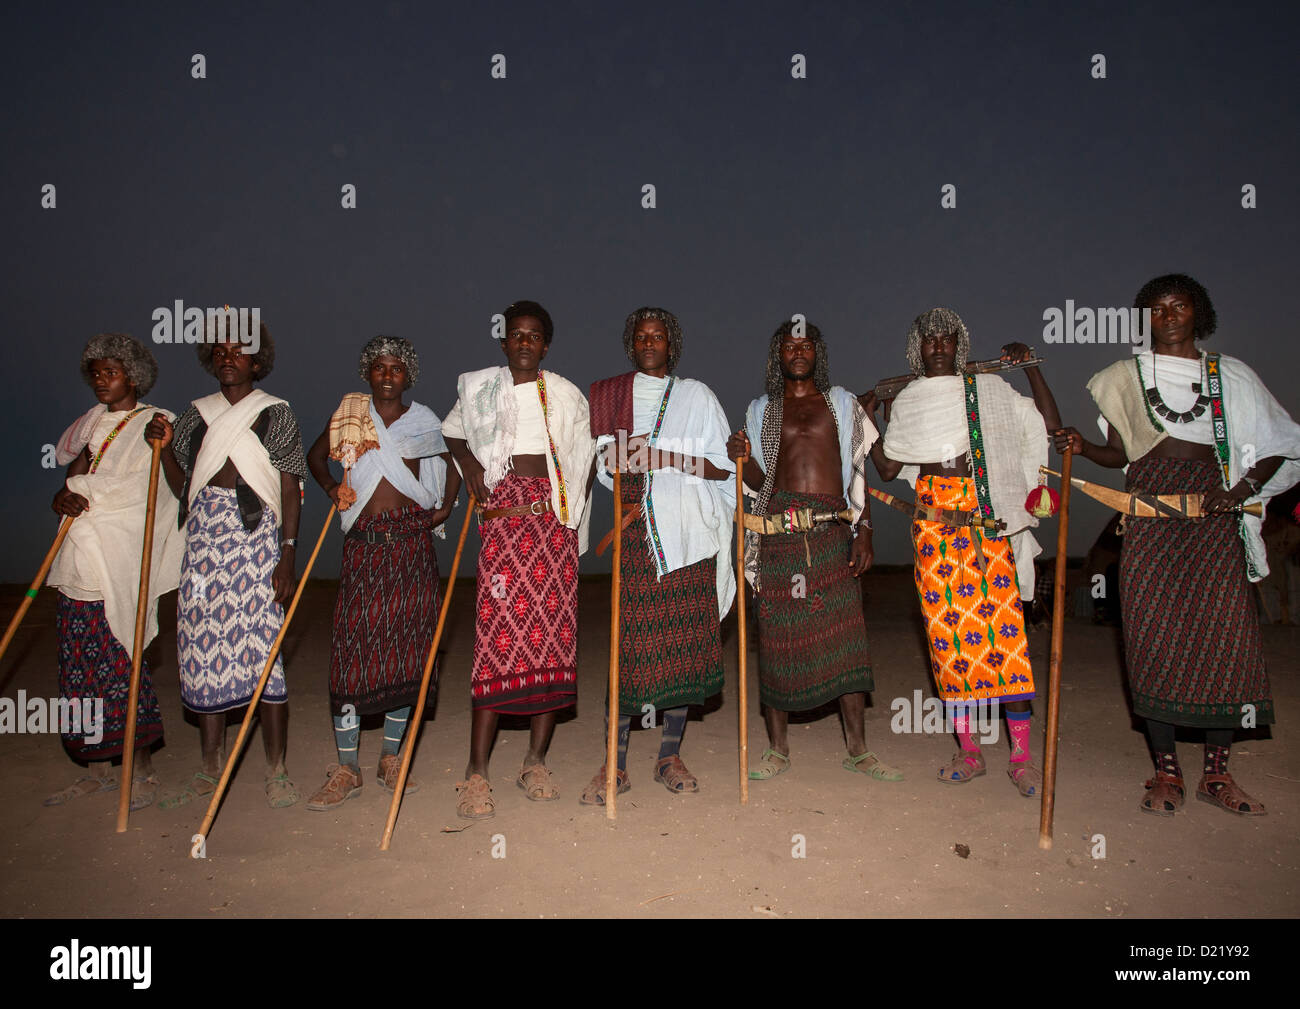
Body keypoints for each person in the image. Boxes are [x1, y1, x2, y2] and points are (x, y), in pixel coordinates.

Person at [1056, 274, 1300, 816]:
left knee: (1223, 639)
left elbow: (1279, 445)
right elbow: (1118, 454)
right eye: (1157, 308)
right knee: (1152, 637)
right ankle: (1165, 772)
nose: (1168, 315)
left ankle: (1218, 774)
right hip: (1148, 520)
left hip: (1213, 519)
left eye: (1179, 305)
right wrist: (1082, 446)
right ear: (1145, 319)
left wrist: (1240, 490)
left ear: (1198, 313)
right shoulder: (1124, 377)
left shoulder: (1230, 376)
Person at [865, 308, 1060, 796]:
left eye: (946, 340)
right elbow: (888, 470)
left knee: (1006, 638)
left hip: (986, 512)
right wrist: (865, 423)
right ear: (917, 348)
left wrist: (1031, 366)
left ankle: (1021, 756)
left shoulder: (989, 389)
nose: (937, 347)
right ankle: (969, 750)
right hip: (934, 523)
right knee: (948, 638)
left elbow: (1047, 425)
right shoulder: (908, 399)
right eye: (928, 340)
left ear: (959, 346)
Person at [726, 319, 899, 783]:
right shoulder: (761, 411)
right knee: (779, 640)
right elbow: (761, 485)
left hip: (830, 530)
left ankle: (859, 749)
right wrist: (739, 458)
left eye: (806, 346)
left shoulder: (842, 404)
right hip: (779, 532)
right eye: (789, 346)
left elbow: (863, 467)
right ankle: (778, 748)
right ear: (777, 355)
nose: (798, 352)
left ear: (817, 354)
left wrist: (864, 529)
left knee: (846, 642)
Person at [146, 320, 308, 809]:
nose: (227, 357)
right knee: (200, 652)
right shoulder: (194, 417)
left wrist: (287, 553)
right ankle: (209, 768)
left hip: (257, 539)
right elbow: (182, 486)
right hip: (203, 542)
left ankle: (276, 771)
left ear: (257, 362)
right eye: (219, 350)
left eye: (238, 351)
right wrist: (160, 448)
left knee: (265, 652)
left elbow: (289, 486)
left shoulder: (274, 413)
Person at [443, 300, 595, 818]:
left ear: (545, 345)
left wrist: (567, 510)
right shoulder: (481, 390)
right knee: (495, 637)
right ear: (504, 342)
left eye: (534, 336)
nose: (525, 342)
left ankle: (534, 761)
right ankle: (476, 774)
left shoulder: (568, 395)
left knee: (550, 636)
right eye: (516, 335)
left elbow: (583, 457)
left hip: (551, 527)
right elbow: (452, 433)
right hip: (504, 528)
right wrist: (471, 471)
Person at [581, 307, 734, 804]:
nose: (650, 343)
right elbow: (603, 463)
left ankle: (669, 755)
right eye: (642, 337)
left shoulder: (697, 396)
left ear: (672, 345)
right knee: (628, 652)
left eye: (659, 337)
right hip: (636, 535)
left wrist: (667, 456)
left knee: (681, 651)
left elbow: (721, 470)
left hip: (688, 536)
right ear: (631, 344)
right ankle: (615, 763)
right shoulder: (609, 395)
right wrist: (626, 455)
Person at [304, 336, 460, 809]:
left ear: (408, 376)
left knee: (407, 655)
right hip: (363, 546)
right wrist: (332, 488)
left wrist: (446, 507)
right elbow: (315, 457)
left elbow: (454, 462)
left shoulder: (425, 421)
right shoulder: (351, 416)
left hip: (410, 547)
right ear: (367, 374)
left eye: (396, 369)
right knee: (352, 655)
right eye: (379, 368)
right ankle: (347, 767)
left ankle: (390, 758)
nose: (388, 376)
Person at [44, 334, 183, 810]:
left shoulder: (157, 421)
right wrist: (61, 499)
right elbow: (75, 484)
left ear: (134, 376)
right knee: (79, 670)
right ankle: (96, 771)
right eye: (97, 373)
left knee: (123, 660)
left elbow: (175, 490)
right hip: (80, 560)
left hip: (123, 559)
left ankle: (142, 773)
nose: (104, 381)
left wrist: (162, 448)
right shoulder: (88, 426)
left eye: (113, 372)